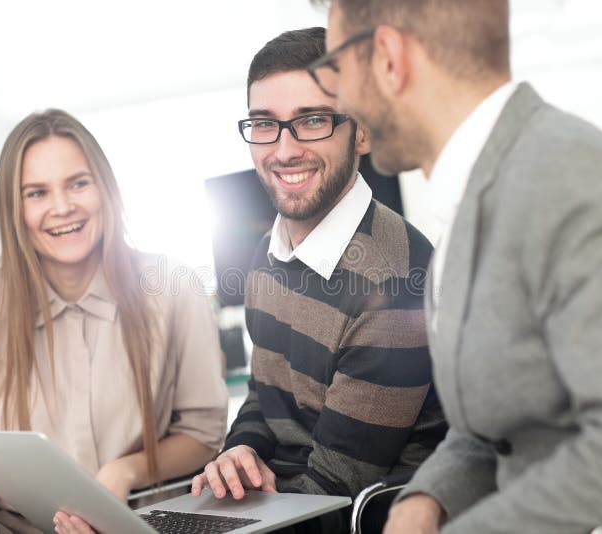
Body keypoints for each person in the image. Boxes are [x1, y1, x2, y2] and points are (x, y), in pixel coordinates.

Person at [309, 1, 602, 533]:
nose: (342, 98)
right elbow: (496, 428)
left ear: (389, 58)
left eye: (337, 70)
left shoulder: (573, 187)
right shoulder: (476, 198)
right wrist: (427, 500)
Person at [190, 27, 447, 534]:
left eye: (312, 120)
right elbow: (266, 395)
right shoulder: (274, 249)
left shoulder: (395, 285)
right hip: (281, 510)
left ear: (363, 130)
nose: (284, 151)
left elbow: (332, 503)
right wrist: (240, 451)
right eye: (265, 124)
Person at [0, 109, 228, 534]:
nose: (62, 207)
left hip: (136, 522)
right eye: (36, 193)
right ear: (13, 208)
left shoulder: (174, 287)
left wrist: (126, 471)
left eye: (78, 183)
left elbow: (203, 434)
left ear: (105, 189)